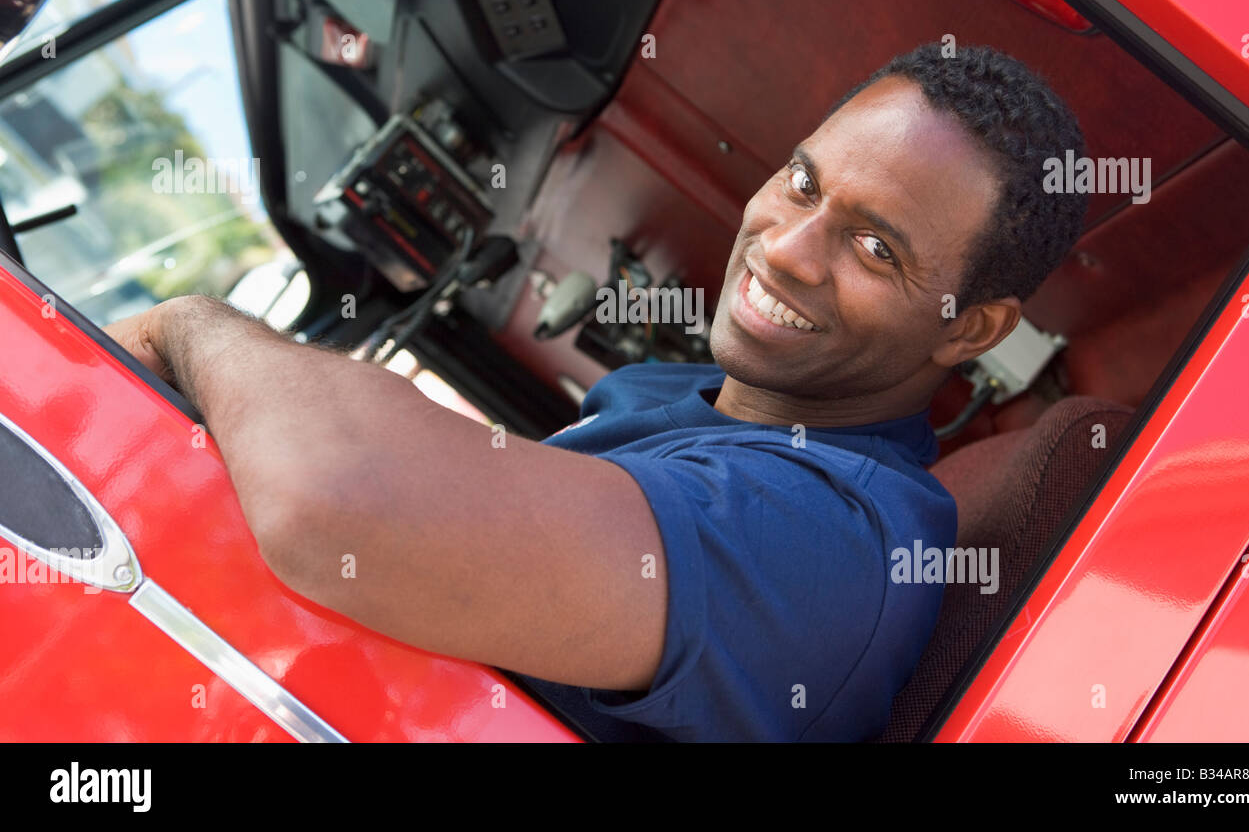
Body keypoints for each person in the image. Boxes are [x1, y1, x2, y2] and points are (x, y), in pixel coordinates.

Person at [106, 43, 1088, 741]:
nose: (787, 250)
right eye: (801, 182)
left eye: (876, 246)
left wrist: (188, 322)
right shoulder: (696, 398)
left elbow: (339, 505)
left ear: (969, 326)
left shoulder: (830, 539)